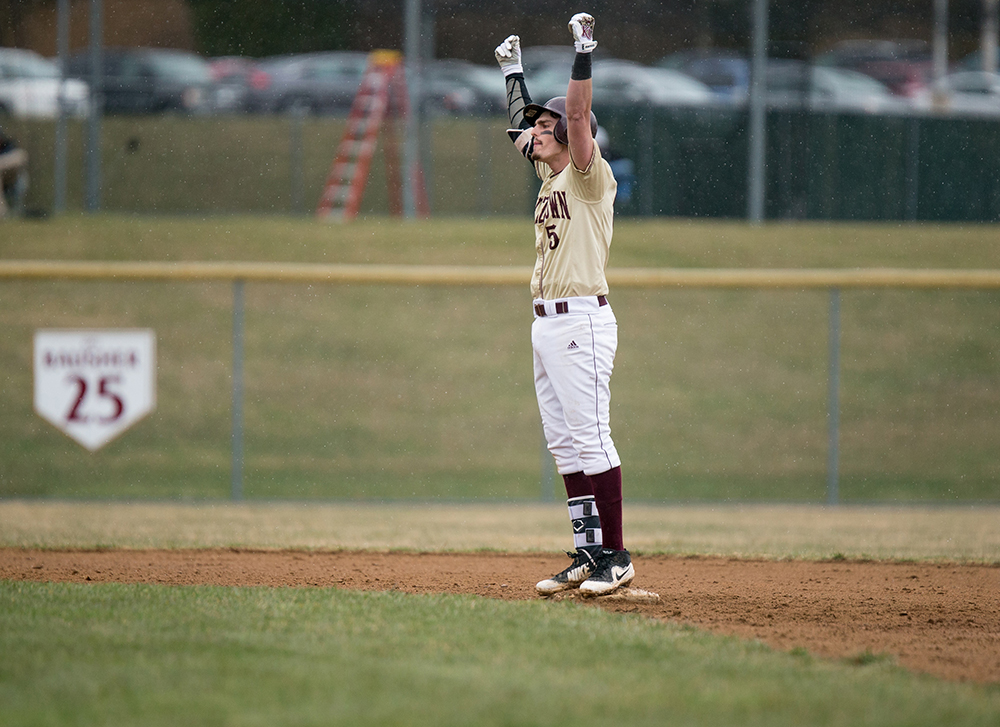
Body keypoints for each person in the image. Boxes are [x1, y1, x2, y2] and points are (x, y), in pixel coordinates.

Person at [494, 13, 634, 597]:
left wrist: (583, 51)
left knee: (593, 437)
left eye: (549, 123)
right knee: (564, 444)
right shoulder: (548, 176)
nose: (540, 129)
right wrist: (512, 72)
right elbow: (515, 129)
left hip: (582, 318)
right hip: (545, 326)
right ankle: (588, 551)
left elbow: (576, 115)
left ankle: (617, 556)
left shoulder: (585, 175)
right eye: (542, 124)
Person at [0, 126, 29, 219]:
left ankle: (4, 213)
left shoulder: (7, 146)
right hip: (5, 176)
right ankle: (3, 213)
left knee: (21, 155)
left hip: (14, 164)